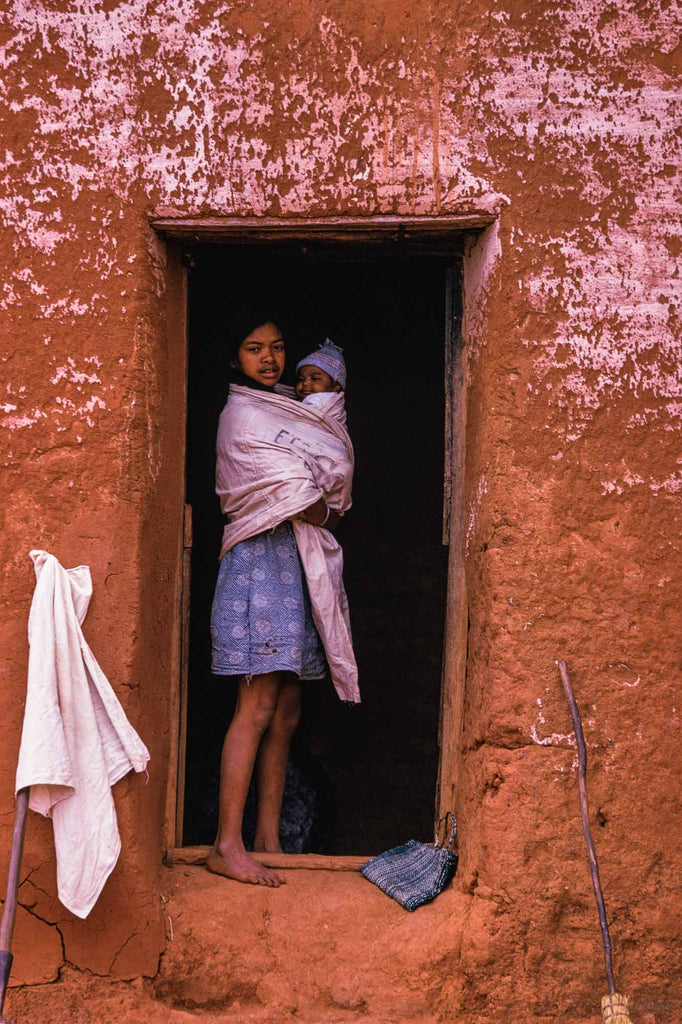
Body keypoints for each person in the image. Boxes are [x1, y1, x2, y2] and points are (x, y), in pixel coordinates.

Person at [207, 317, 358, 888]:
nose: (268, 359)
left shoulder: (292, 414)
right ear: (234, 358)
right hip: (257, 568)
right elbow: (305, 499)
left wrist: (320, 504)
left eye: (276, 348)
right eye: (253, 348)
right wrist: (318, 505)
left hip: (294, 565)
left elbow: (328, 495)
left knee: (287, 707)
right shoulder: (243, 416)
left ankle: (269, 839)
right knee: (257, 704)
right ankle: (228, 843)